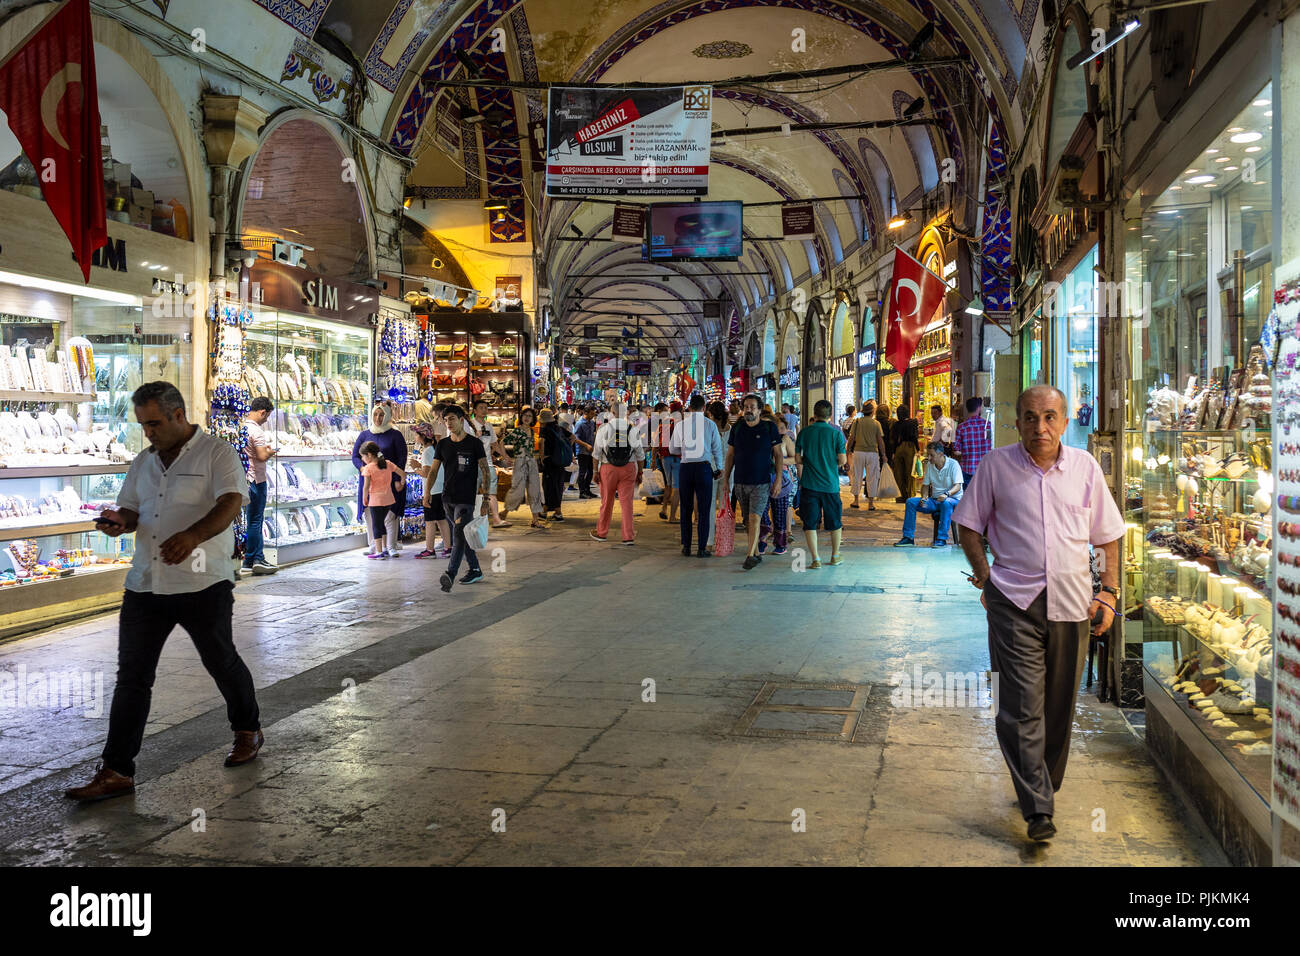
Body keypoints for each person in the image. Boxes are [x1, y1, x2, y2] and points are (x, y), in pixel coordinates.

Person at [66, 382, 262, 802]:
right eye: (143, 425)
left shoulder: (217, 453)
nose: (148, 432)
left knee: (220, 660)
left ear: (178, 415)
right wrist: (120, 521)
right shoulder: (144, 461)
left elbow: (231, 503)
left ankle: (247, 729)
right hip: (146, 583)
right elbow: (132, 509)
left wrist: (192, 536)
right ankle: (117, 770)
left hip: (202, 581)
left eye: (154, 423)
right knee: (132, 678)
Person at [952, 385, 1124, 843]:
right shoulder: (997, 466)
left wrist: (1109, 592)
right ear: (1017, 423)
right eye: (1030, 417)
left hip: (1072, 603)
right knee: (1021, 704)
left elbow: (1108, 536)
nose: (1040, 427)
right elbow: (967, 524)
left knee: (1059, 706)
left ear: (1065, 422)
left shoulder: (1084, 468)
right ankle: (1037, 807)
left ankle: (1042, 781)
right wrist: (986, 577)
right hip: (1014, 601)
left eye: (1049, 417)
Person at [428, 404, 491, 592]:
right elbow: (433, 471)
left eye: (452, 419)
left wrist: (486, 499)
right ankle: (475, 569)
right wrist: (427, 492)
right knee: (462, 534)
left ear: (461, 420)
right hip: (447, 497)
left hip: (466, 499)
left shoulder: (474, 443)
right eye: (446, 420)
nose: (448, 423)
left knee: (458, 535)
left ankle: (450, 574)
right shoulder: (443, 445)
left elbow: (485, 471)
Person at [722, 393, 782, 571]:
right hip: (740, 482)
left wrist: (778, 479)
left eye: (752, 407)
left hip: (761, 482)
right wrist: (726, 479)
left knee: (755, 517)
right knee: (748, 520)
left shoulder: (769, 428)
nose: (749, 410)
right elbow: (730, 455)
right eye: (746, 407)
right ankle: (755, 552)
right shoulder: (737, 428)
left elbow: (778, 454)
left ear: (759, 410)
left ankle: (750, 556)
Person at [793, 399, 847, 568]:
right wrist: (830, 462)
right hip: (830, 485)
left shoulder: (804, 433)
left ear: (814, 414)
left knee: (810, 523)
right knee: (835, 522)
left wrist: (810, 461)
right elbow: (842, 460)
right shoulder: (836, 434)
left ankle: (815, 559)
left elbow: (797, 459)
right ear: (830, 415)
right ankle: (835, 555)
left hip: (809, 485)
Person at [669, 394, 724, 557]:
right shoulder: (710, 425)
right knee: (704, 509)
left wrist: (685, 451)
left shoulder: (680, 425)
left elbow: (672, 449)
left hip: (685, 468)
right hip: (704, 468)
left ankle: (686, 547)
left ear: (690, 408)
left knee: (686, 509)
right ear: (704, 408)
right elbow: (717, 449)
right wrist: (719, 467)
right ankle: (701, 548)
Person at [351, 403, 408, 557]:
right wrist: (362, 468)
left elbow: (401, 458)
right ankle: (374, 545)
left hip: (388, 481)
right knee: (371, 514)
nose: (378, 418)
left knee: (390, 515)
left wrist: (398, 479)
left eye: (381, 415)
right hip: (369, 481)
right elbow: (355, 456)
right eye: (375, 414)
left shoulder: (395, 435)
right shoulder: (364, 435)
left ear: (387, 416)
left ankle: (390, 545)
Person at [590, 400, 644, 544]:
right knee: (627, 503)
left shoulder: (603, 429)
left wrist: (595, 471)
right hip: (628, 468)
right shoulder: (632, 429)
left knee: (606, 502)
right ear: (626, 413)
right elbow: (640, 455)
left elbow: (596, 454)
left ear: (612, 412)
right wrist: (640, 473)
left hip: (608, 469)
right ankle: (628, 536)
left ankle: (602, 533)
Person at [894, 441, 963, 548]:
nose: (929, 458)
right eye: (928, 455)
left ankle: (941, 539)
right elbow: (925, 485)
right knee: (910, 502)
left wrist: (946, 494)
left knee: (946, 503)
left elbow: (957, 486)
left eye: (932, 455)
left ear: (940, 454)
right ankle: (908, 537)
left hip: (952, 500)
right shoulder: (930, 465)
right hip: (935, 500)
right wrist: (924, 497)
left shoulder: (953, 464)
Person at [240, 396, 277, 576]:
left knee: (251, 520)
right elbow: (261, 456)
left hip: (246, 478)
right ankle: (256, 558)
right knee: (256, 520)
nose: (266, 420)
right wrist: (271, 452)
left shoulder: (242, 428)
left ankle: (250, 559)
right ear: (262, 412)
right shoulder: (257, 431)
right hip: (257, 480)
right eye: (267, 416)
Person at [502, 406, 548, 529]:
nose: (527, 418)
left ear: (533, 419)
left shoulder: (532, 431)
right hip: (520, 461)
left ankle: (535, 520)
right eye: (525, 415)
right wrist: (506, 457)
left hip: (532, 461)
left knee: (535, 490)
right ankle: (504, 512)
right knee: (518, 489)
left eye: (530, 416)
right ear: (521, 417)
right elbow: (502, 442)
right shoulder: (517, 431)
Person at [759, 414, 798, 555]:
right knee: (762, 513)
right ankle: (762, 541)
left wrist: (780, 461)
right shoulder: (757, 439)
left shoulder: (784, 439)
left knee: (779, 512)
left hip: (780, 480)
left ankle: (780, 543)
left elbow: (796, 458)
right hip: (760, 480)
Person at [468, 398, 510, 528]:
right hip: (473, 464)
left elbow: (494, 444)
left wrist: (505, 456)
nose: (484, 410)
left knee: (491, 492)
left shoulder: (489, 426)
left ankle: (496, 519)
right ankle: (470, 520)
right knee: (472, 492)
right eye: (481, 408)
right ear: (475, 411)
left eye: (486, 408)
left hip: (488, 463)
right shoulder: (469, 426)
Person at [359, 440, 405, 558]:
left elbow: (366, 486)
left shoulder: (368, 468)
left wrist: (364, 498)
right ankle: (384, 548)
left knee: (376, 526)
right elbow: (403, 473)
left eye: (363, 456)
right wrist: (402, 483)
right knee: (382, 523)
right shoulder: (388, 464)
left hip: (375, 500)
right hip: (388, 499)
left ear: (369, 455)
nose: (362, 459)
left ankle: (379, 552)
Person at [413, 421, 451, 559]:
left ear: (422, 436)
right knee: (441, 519)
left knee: (430, 521)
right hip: (440, 489)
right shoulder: (434, 449)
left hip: (432, 490)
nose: (415, 437)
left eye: (416, 434)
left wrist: (416, 468)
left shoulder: (427, 451)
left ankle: (429, 549)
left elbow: (427, 473)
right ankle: (448, 547)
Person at [847, 399, 887, 511]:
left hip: (858, 452)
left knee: (857, 476)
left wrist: (848, 450)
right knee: (872, 477)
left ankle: (856, 500)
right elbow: (880, 441)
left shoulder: (857, 422)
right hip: (872, 453)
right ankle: (871, 503)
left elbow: (851, 438)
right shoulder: (876, 423)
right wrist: (883, 454)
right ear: (873, 412)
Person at [704, 401, 730, 553]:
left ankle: (709, 542)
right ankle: (723, 541)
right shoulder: (730, 430)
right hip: (727, 472)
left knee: (710, 505)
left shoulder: (708, 429)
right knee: (724, 506)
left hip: (712, 470)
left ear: (711, 415)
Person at [538, 408, 572, 522]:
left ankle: (557, 513)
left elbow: (540, 442)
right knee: (557, 486)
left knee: (549, 487)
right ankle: (545, 511)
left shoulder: (545, 429)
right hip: (559, 462)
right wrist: (566, 449)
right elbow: (573, 437)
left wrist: (542, 456)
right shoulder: (559, 428)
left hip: (550, 462)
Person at [953, 396, 992, 491]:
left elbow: (956, 451)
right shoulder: (988, 425)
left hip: (967, 469)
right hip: (984, 469)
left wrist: (967, 452)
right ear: (979, 408)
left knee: (968, 496)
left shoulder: (961, 427)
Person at [655, 400, 682, 523]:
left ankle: (664, 508)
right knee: (677, 487)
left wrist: (653, 459)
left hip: (664, 458)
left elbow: (656, 442)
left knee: (668, 484)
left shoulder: (664, 423)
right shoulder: (681, 424)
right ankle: (672, 517)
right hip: (677, 458)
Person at [889, 407, 920, 502]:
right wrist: (918, 449)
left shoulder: (896, 424)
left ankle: (900, 496)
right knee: (910, 472)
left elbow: (893, 439)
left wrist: (893, 452)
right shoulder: (912, 423)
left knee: (898, 473)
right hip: (910, 447)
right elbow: (914, 437)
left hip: (898, 448)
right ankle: (910, 495)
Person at [573, 405, 598, 499]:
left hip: (591, 451)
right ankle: (582, 492)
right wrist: (586, 445)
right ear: (585, 413)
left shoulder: (591, 422)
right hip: (582, 451)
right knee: (582, 472)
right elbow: (575, 439)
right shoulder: (579, 424)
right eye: (591, 414)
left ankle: (587, 490)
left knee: (590, 472)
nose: (593, 415)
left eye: (594, 413)